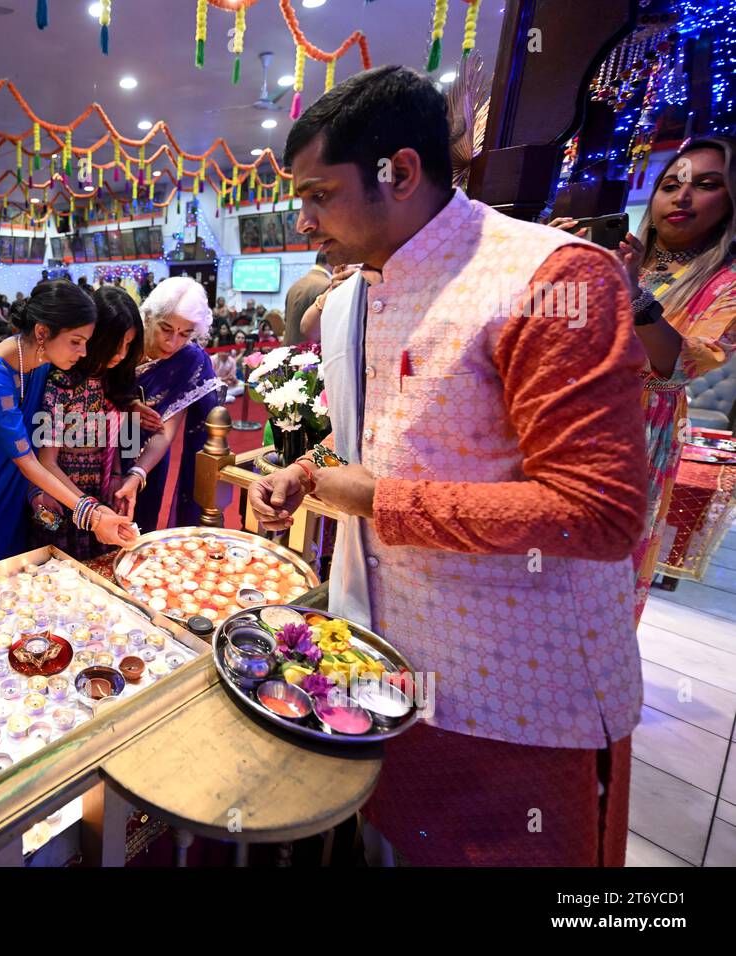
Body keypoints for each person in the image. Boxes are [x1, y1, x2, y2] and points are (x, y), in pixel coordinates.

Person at [247, 65, 647, 866]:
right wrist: (311, 470)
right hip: (380, 655)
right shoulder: (352, 298)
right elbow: (384, 444)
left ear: (398, 171)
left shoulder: (549, 280)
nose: (303, 221)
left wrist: (380, 500)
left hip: (513, 684)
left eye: (319, 195)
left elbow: (600, 514)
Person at [552, 136, 736, 621]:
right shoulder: (621, 258)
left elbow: (681, 365)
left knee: (595, 574)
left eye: (706, 184)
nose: (683, 196)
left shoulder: (725, 283)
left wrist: (632, 295)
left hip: (635, 430)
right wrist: (551, 264)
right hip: (563, 415)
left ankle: (583, 686)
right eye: (670, 184)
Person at [0, 280, 138, 569]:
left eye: (86, 342)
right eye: (76, 341)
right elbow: (29, 461)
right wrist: (92, 516)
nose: (84, 352)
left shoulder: (40, 365)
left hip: (14, 480)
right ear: (42, 332)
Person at [29, 285, 146, 560]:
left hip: (101, 487)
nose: (120, 354)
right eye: (115, 344)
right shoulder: (62, 382)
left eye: (128, 345)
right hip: (63, 491)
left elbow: (115, 438)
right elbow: (47, 461)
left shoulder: (112, 380)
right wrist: (87, 508)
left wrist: (116, 475)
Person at [123, 277, 220, 530]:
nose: (173, 342)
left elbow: (164, 430)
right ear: (148, 316)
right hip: (99, 448)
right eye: (166, 329)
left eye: (185, 334)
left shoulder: (189, 360)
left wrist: (137, 474)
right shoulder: (124, 339)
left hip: (148, 459)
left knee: (137, 530)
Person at [284, 251, 333, 345]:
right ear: (331, 260)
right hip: (310, 353)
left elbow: (286, 320)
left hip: (288, 350)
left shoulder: (295, 284)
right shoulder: (327, 286)